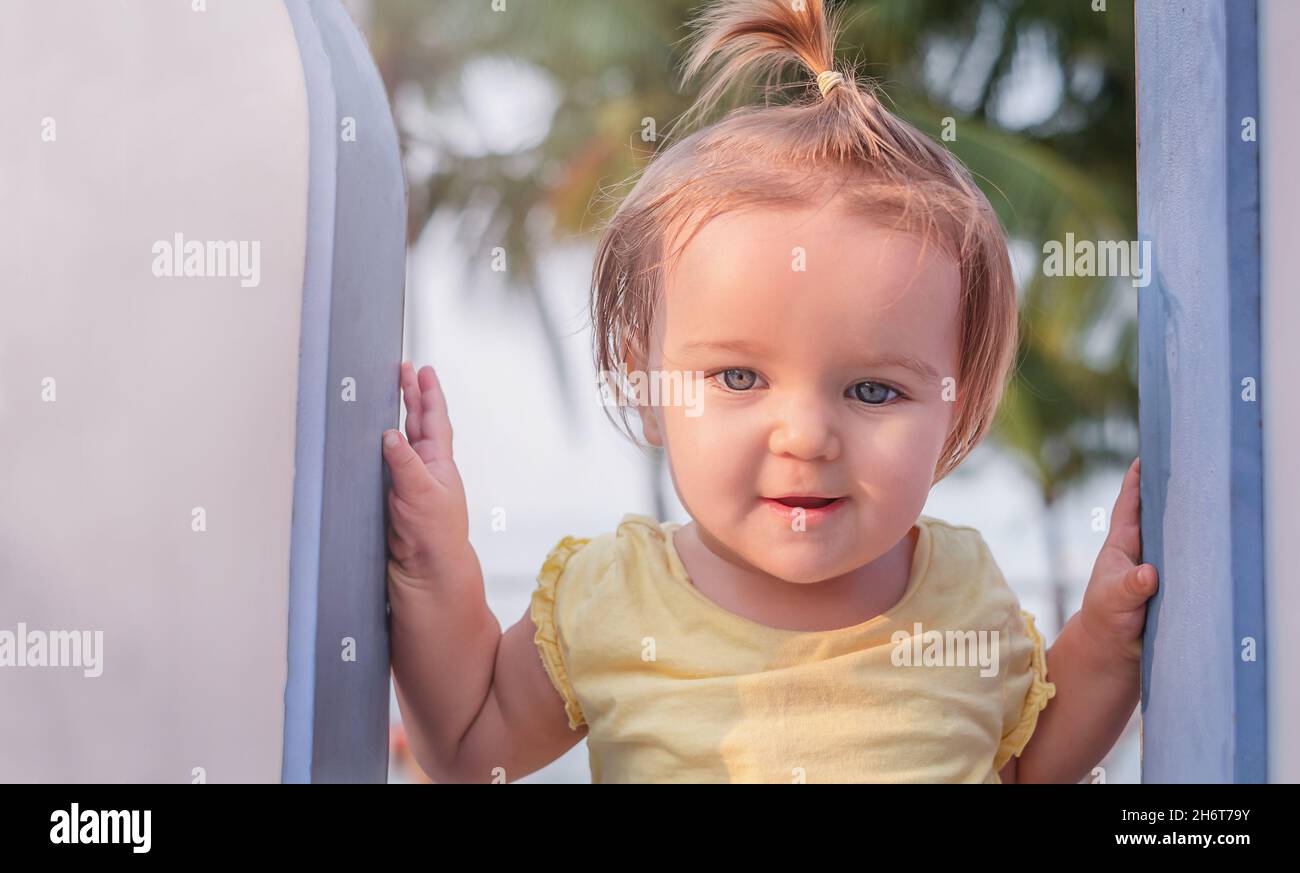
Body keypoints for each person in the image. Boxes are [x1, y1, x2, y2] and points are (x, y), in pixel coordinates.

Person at [381, 0, 1158, 783]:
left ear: (961, 400)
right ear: (645, 384)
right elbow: (471, 748)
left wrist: (1101, 641)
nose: (807, 436)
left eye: (874, 390)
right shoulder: (612, 599)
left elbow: (1029, 766)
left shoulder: (965, 596)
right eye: (738, 377)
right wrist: (433, 561)